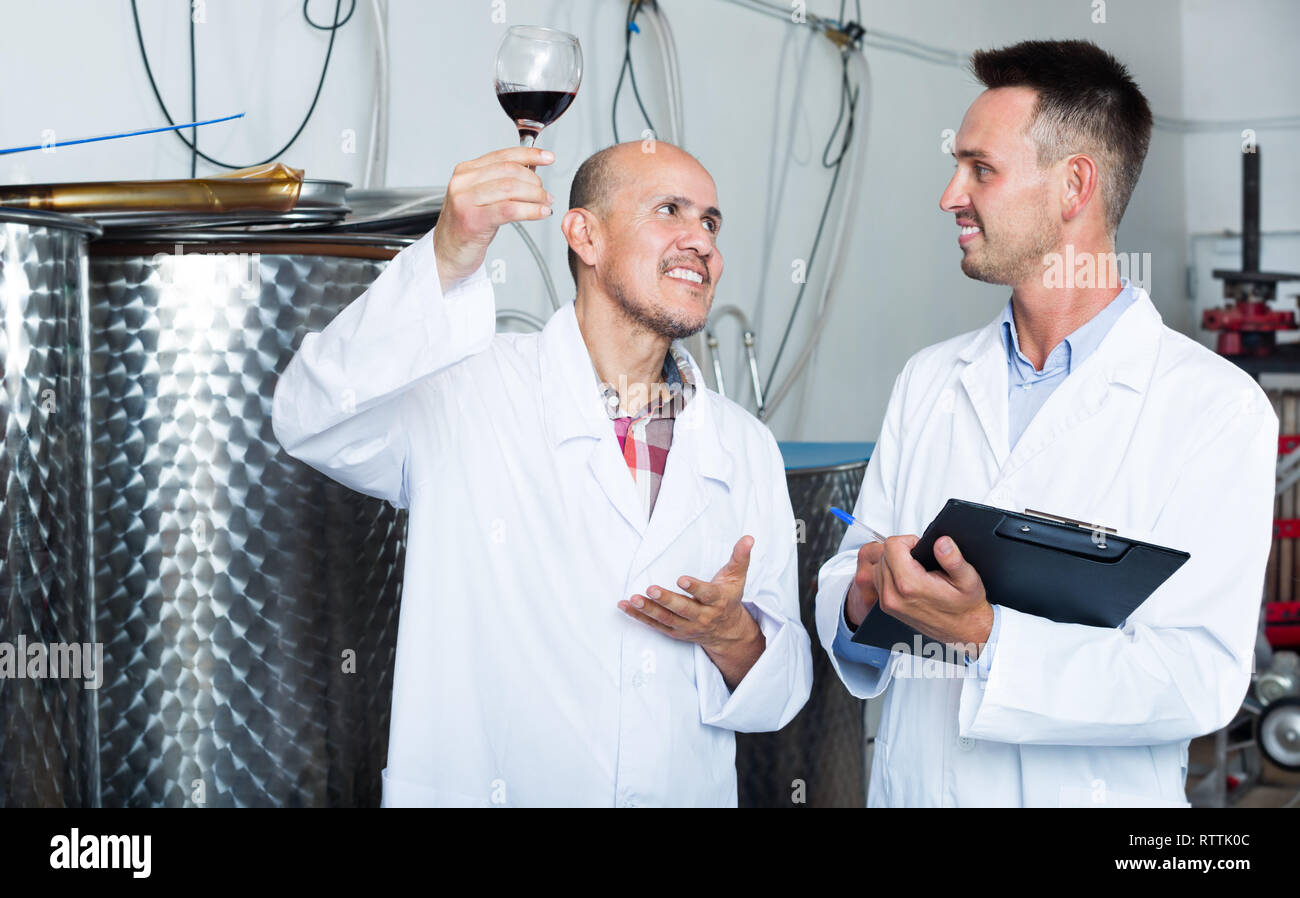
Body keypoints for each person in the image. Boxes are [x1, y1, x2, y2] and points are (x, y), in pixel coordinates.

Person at [272, 140, 812, 807]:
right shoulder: (466, 390)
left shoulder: (742, 444)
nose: (701, 241)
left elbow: (782, 694)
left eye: (710, 222)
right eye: (670, 210)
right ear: (585, 234)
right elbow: (309, 416)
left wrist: (732, 636)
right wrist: (447, 254)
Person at [816, 39, 1277, 807]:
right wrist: (865, 593)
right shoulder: (930, 379)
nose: (950, 195)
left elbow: (1198, 679)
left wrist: (985, 637)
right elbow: (847, 575)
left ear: (1074, 186)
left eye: (980, 169)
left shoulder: (1214, 409)